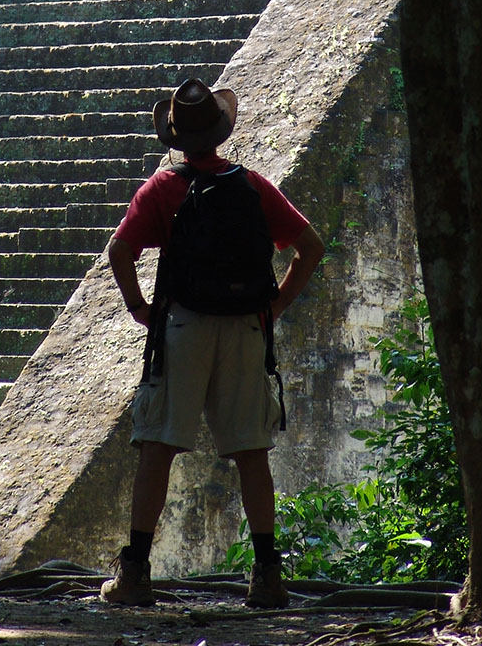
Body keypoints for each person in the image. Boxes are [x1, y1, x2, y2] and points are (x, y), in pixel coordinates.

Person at [100, 77, 325, 609]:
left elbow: (120, 251)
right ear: (221, 132)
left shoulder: (162, 189)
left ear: (175, 137)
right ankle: (268, 576)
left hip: (184, 327)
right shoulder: (253, 186)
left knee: (158, 446)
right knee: (251, 451)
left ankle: (134, 575)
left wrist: (141, 310)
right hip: (247, 326)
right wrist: (274, 307)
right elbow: (310, 248)